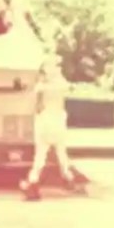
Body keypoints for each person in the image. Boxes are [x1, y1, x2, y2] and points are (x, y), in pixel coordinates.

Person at [19, 53, 86, 201]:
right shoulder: (60, 85)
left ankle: (33, 182)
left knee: (41, 155)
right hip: (57, 119)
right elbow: (68, 88)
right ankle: (68, 178)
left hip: (44, 120)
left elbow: (37, 106)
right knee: (61, 152)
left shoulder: (41, 87)